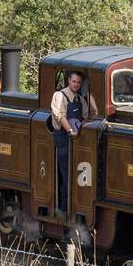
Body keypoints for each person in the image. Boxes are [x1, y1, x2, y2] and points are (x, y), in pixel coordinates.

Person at [51, 70, 95, 215]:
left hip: (76, 138)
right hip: (64, 138)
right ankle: (63, 209)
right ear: (69, 81)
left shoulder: (79, 99)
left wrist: (81, 125)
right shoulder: (60, 95)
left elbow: (88, 114)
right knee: (66, 173)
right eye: (74, 81)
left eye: (78, 83)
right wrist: (71, 130)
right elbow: (60, 116)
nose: (76, 84)